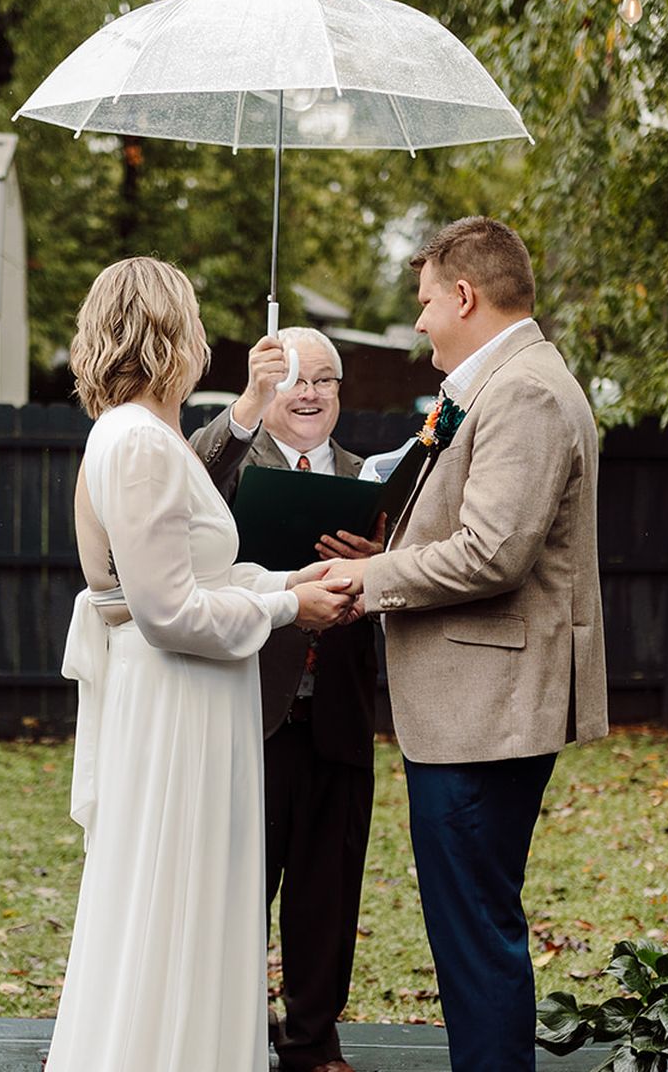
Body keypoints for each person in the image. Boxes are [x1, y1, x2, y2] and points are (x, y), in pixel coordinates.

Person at [46, 258, 356, 1072]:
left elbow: (200, 578)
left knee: (191, 912)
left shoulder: (144, 435)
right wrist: (291, 608)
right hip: (180, 709)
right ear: (169, 335)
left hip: (194, 706)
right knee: (175, 911)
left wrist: (291, 578)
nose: (204, 339)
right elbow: (167, 610)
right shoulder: (142, 444)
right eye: (192, 322)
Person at [317, 217, 610, 1072]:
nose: (418, 323)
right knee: (471, 924)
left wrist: (365, 584)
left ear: (465, 296)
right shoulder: (497, 385)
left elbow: (494, 552)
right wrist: (390, 556)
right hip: (474, 702)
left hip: (485, 710)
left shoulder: (523, 392)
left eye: (425, 303)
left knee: (477, 931)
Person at [188, 328, 382, 1072]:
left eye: (324, 381)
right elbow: (192, 480)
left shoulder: (374, 477)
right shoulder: (232, 464)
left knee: (327, 891)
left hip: (337, 713)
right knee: (238, 886)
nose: (308, 394)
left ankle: (312, 1042)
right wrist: (244, 404)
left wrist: (383, 563)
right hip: (248, 711)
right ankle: (233, 1033)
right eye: (294, 380)